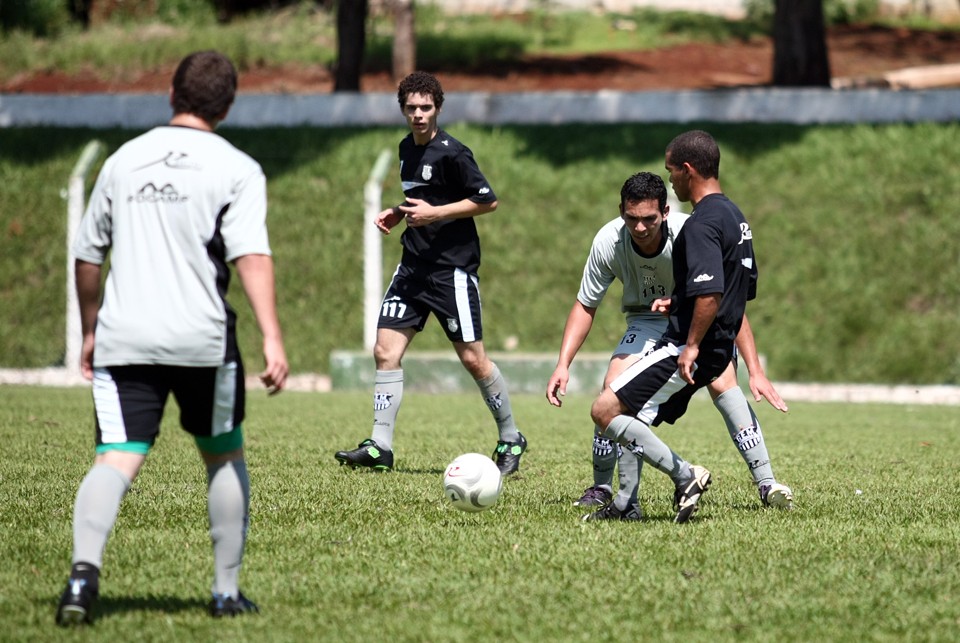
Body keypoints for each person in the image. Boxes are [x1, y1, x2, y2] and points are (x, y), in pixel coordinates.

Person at [56, 50, 289, 626]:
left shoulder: (122, 160)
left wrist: (90, 329)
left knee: (115, 458)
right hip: (202, 339)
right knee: (222, 454)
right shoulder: (236, 167)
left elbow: (88, 256)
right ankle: (225, 592)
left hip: (123, 335)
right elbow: (251, 256)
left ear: (171, 94)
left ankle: (83, 579)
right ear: (228, 105)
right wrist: (273, 337)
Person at [547, 171, 793, 522]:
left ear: (664, 211)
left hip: (695, 324)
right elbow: (585, 305)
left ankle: (767, 484)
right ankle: (607, 490)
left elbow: (724, 303)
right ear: (621, 212)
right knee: (613, 388)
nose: (641, 228)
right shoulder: (608, 241)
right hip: (644, 321)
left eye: (649, 219)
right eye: (632, 219)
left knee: (725, 384)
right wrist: (562, 364)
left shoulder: (690, 233)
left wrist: (755, 369)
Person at [334, 71, 527, 475]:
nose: (419, 115)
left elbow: (487, 201)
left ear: (438, 108)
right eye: (411, 108)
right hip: (412, 267)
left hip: (451, 271)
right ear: (402, 110)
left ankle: (510, 437)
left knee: (474, 360)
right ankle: (380, 447)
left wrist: (436, 213)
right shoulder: (407, 147)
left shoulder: (454, 153)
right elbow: (420, 199)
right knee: (385, 352)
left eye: (426, 107)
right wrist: (399, 211)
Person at [589, 130, 774, 523]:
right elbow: (734, 290)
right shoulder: (736, 218)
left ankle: (685, 474)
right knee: (633, 415)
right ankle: (625, 505)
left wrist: (689, 344)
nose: (670, 179)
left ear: (688, 170)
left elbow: (709, 294)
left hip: (688, 346)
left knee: (606, 409)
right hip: (721, 347)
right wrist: (679, 300)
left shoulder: (700, 223)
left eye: (672, 171)